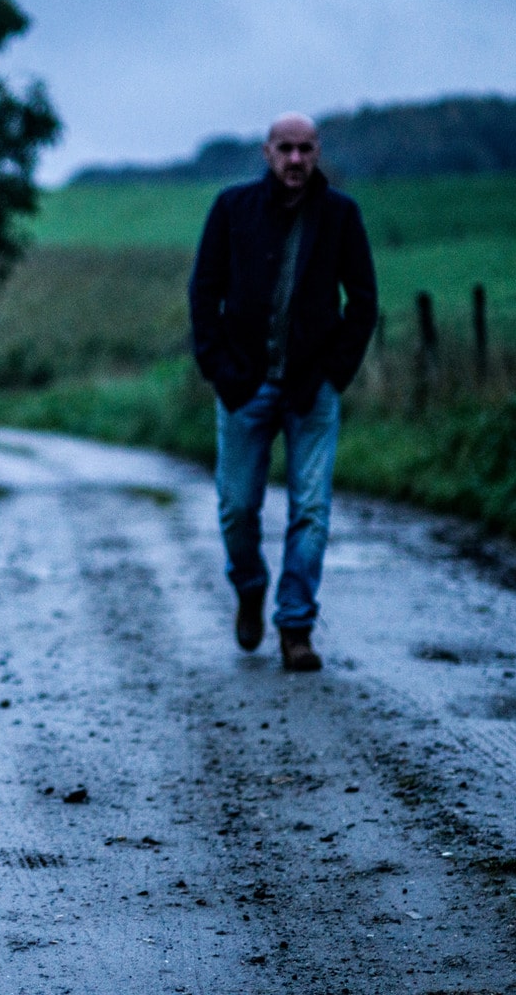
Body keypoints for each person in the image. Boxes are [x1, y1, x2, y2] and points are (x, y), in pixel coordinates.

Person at [188, 114, 378, 671]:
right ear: (267, 152)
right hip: (243, 385)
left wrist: (333, 374)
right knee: (238, 508)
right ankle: (250, 585)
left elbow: (363, 301)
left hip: (311, 388)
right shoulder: (231, 208)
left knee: (311, 509)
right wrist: (219, 369)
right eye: (285, 149)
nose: (295, 159)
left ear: (318, 153)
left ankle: (296, 626)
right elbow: (204, 292)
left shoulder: (341, 215)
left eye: (305, 149)